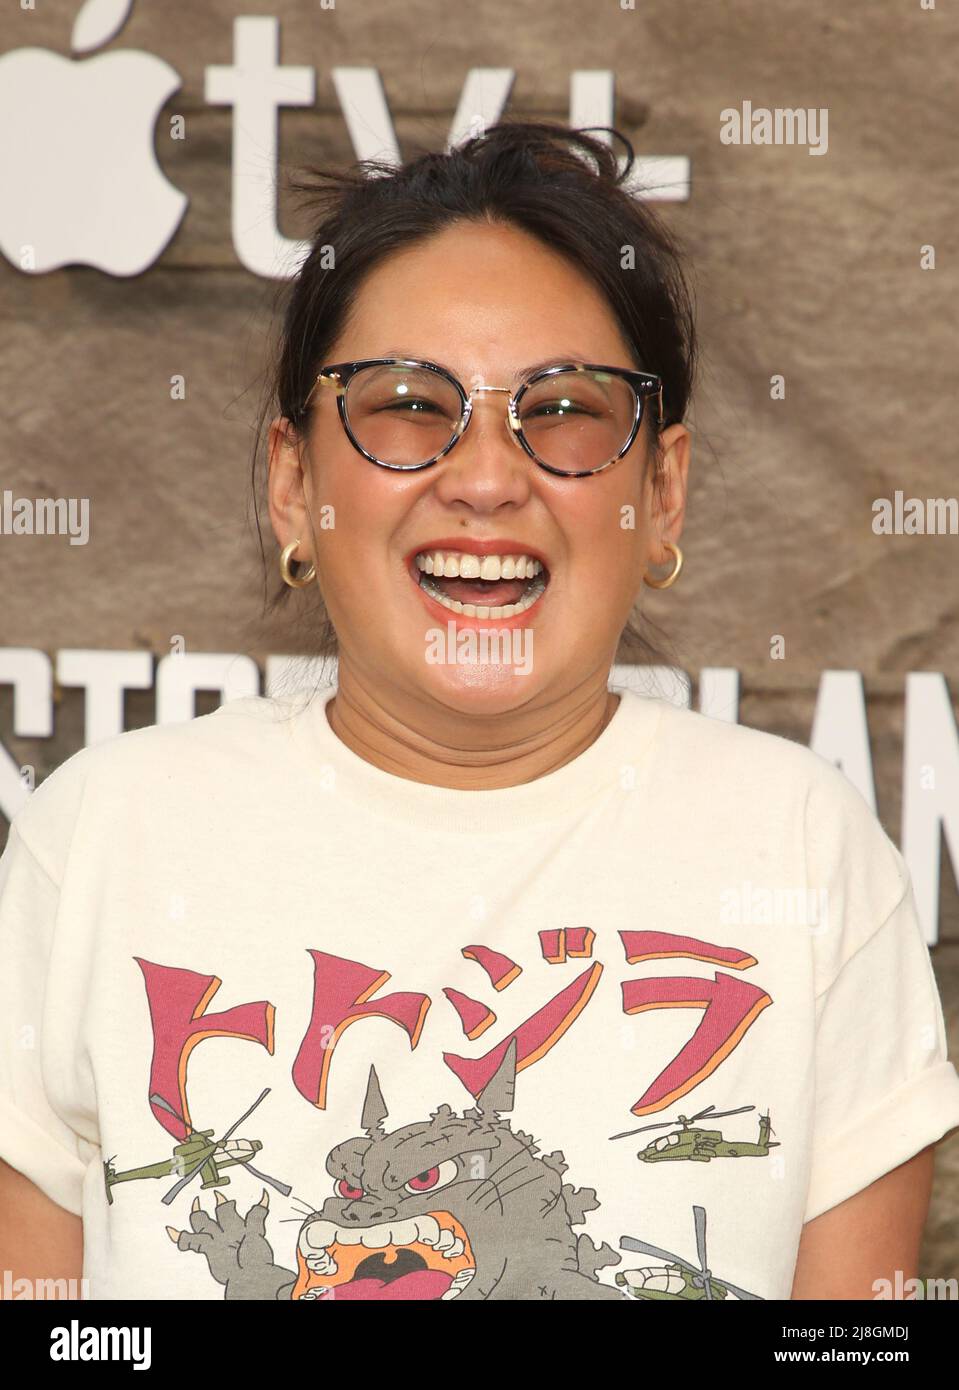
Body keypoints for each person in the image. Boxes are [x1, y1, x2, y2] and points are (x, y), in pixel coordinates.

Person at [2, 120, 958, 1303]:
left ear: (660, 492)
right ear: (293, 485)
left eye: (562, 409)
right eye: (407, 403)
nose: (488, 476)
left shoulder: (807, 858)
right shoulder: (99, 840)